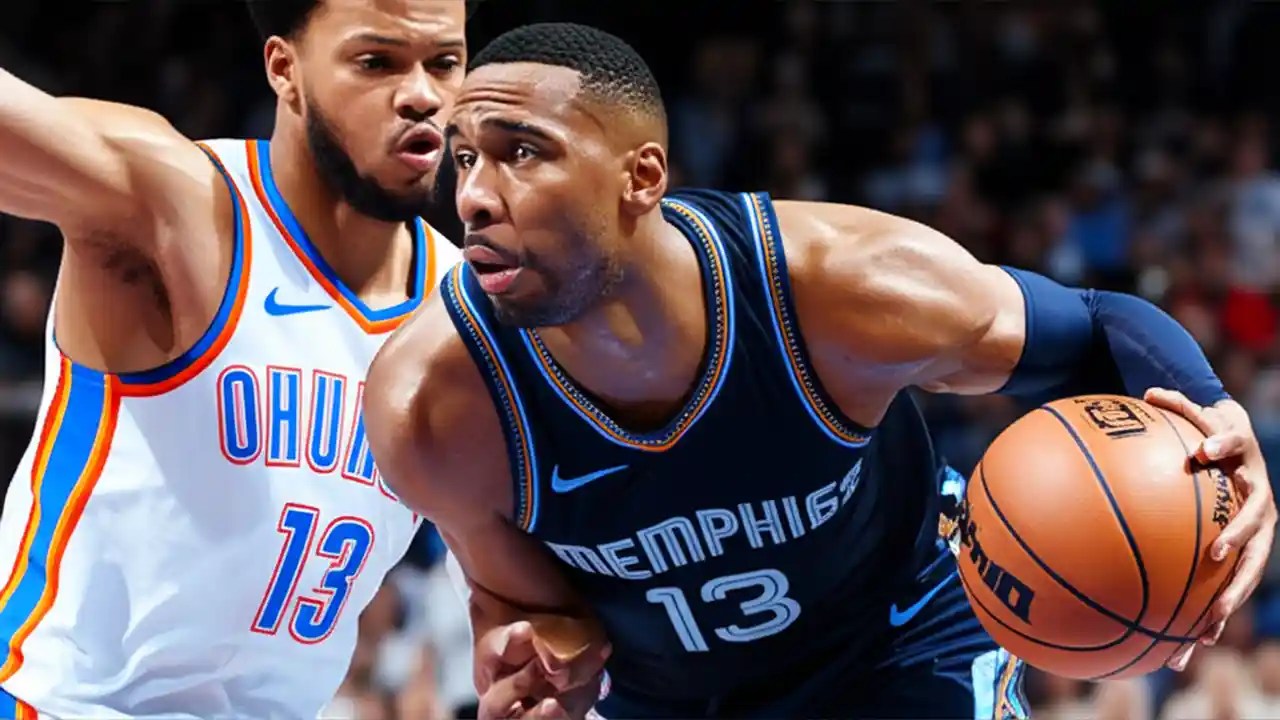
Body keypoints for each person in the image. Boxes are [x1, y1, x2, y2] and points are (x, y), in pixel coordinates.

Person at [363, 22, 1278, 720]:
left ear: (641, 178)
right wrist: (539, 659)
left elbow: (1095, 326)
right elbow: (525, 609)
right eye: (465, 157)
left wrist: (1213, 412)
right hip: (669, 703)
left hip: (900, 640)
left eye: (522, 152)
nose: (473, 195)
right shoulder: (430, 406)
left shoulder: (844, 289)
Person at [0, 0, 472, 716]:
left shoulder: (464, 316)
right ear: (285, 69)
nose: (421, 95)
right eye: (376, 62)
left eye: (445, 63)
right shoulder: (174, 206)